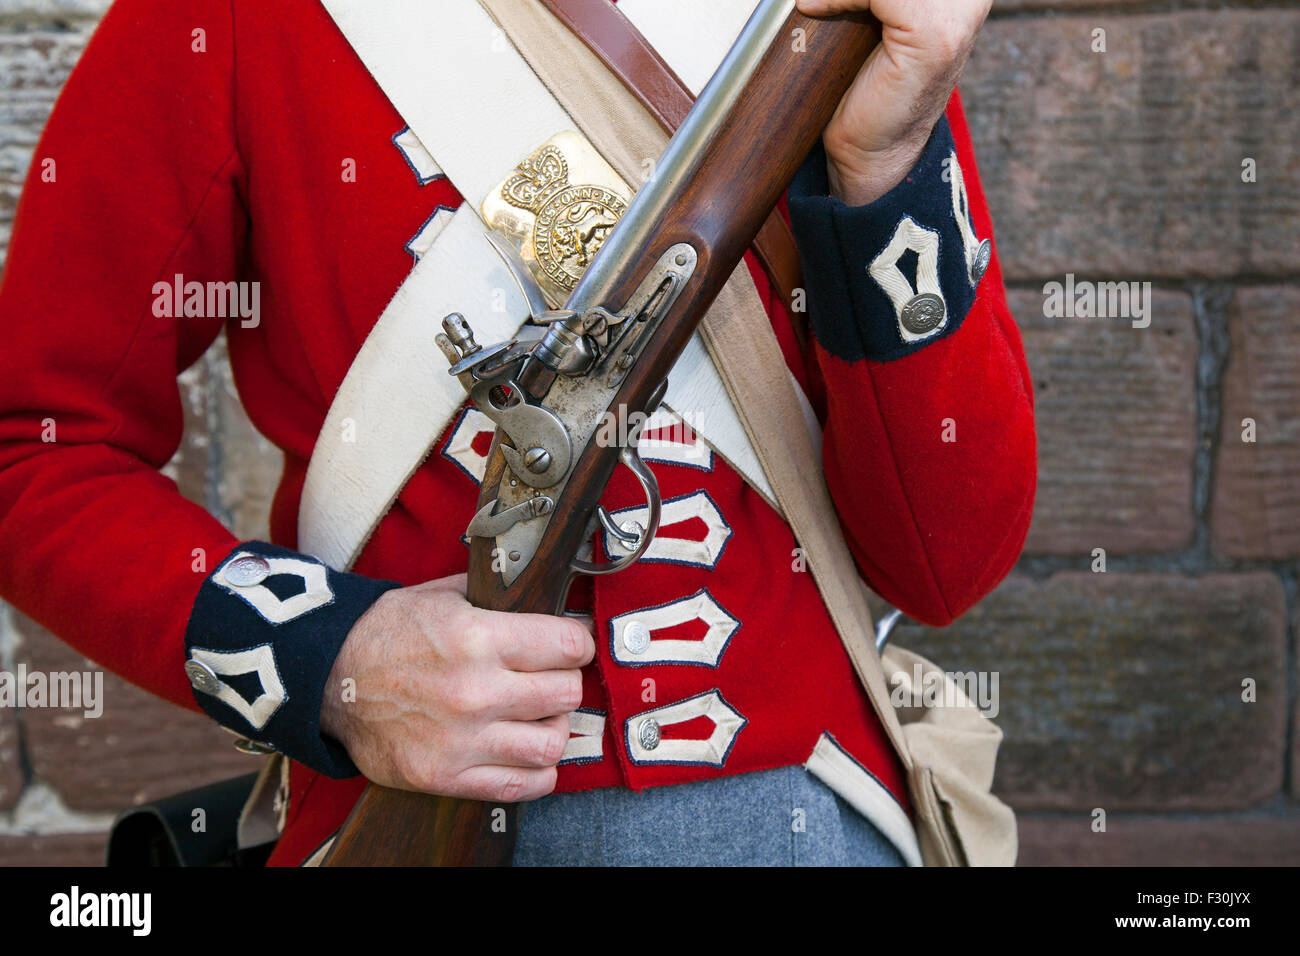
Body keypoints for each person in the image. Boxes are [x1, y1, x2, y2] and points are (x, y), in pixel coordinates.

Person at [0, 0, 1034, 866]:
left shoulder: (837, 30)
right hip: (405, 813)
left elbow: (947, 565)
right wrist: (336, 659)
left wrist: (886, 164)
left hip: (807, 817)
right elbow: (30, 445)